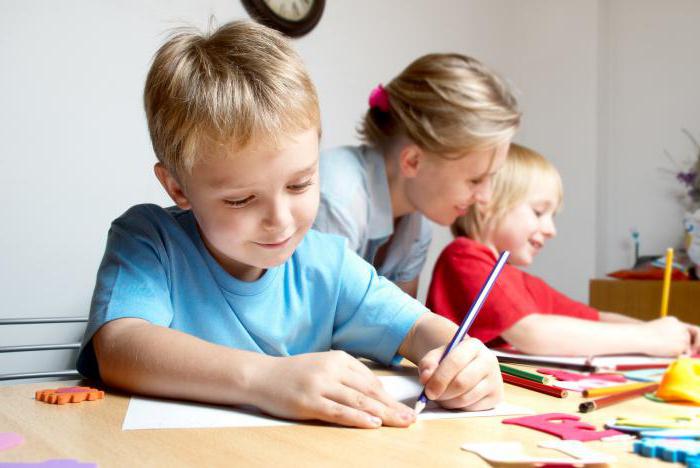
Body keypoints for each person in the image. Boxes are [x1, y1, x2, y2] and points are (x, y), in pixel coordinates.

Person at [76, 20, 503, 430]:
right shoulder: (149, 239)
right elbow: (119, 346)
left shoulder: (327, 264)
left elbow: (418, 327)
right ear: (178, 187)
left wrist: (463, 357)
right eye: (241, 199)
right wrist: (264, 380)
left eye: (300, 184)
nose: (280, 220)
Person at [427, 143, 700, 356]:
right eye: (538, 212)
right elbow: (531, 333)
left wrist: (673, 334)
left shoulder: (517, 280)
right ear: (487, 201)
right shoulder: (463, 257)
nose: (551, 230)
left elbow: (594, 318)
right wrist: (650, 338)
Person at [313, 54, 521, 297]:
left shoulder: (417, 228)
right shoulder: (338, 199)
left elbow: (405, 328)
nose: (486, 197)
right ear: (412, 161)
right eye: (475, 180)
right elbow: (317, 325)